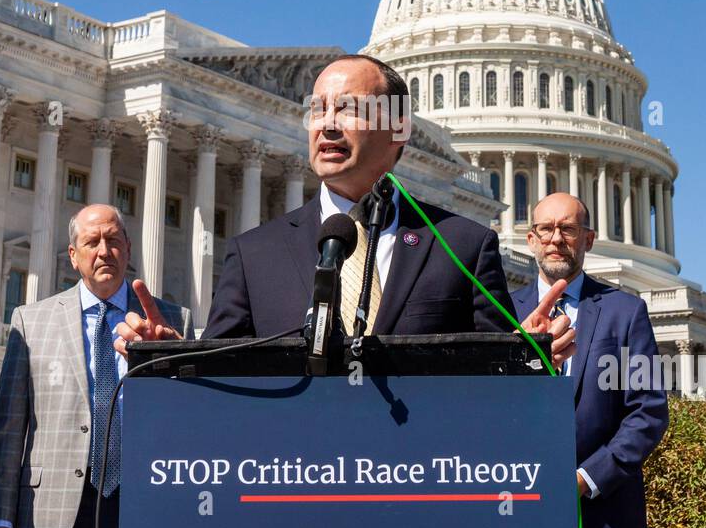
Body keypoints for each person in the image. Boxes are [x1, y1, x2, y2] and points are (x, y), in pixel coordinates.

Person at [164, 54, 564, 344]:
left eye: (348, 109)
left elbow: (497, 381)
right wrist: (162, 360)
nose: (328, 125)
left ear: (398, 132)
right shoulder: (255, 254)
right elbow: (218, 379)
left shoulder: (462, 247)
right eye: (318, 110)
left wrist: (524, 355)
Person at [0, 203, 188, 528]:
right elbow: (7, 429)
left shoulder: (171, 322)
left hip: (143, 502)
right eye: (93, 242)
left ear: (128, 249)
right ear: (74, 256)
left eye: (114, 240)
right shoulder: (32, 321)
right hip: (53, 511)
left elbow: (188, 420)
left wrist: (167, 359)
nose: (105, 251)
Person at [510, 192, 668, 528]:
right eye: (546, 229)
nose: (556, 238)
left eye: (567, 228)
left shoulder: (626, 313)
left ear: (588, 239)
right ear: (531, 239)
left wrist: (586, 478)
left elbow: (648, 411)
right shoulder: (503, 311)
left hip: (605, 520)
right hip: (518, 509)